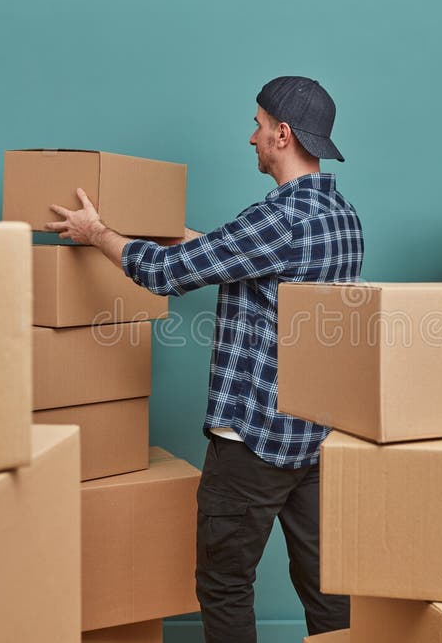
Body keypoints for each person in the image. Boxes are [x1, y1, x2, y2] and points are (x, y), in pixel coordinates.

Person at [45, 76, 363, 643]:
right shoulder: (342, 216)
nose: (252, 137)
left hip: (252, 441)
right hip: (314, 437)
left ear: (282, 135)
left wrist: (97, 234)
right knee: (327, 586)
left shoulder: (279, 217)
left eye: (260, 126)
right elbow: (233, 254)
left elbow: (167, 275)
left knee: (224, 584)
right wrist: (157, 230)